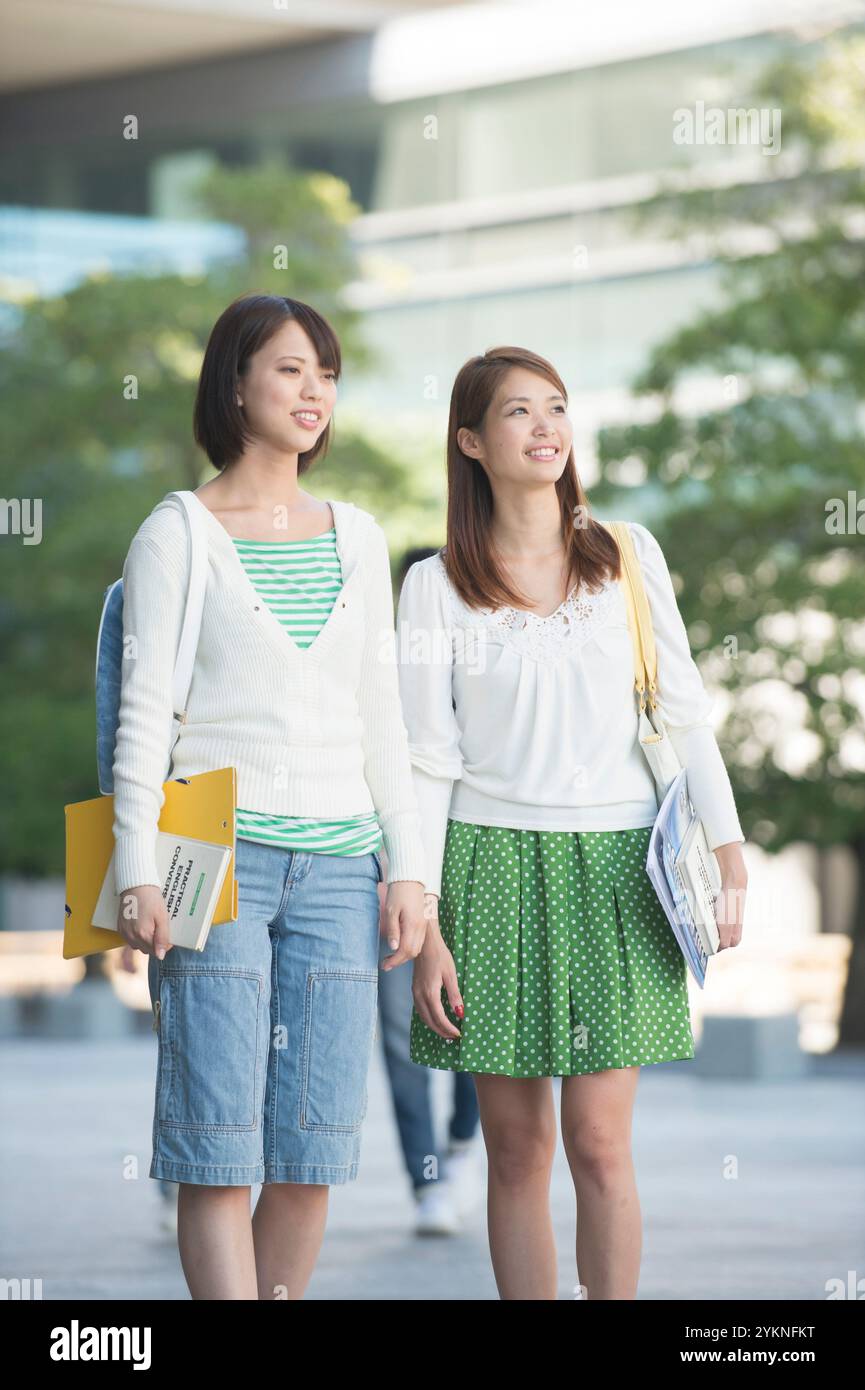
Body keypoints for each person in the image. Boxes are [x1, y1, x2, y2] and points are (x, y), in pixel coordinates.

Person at [395, 345, 749, 1300]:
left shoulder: (626, 556)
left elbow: (681, 713)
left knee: (598, 1142)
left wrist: (730, 856)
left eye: (555, 407)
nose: (546, 426)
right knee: (516, 1152)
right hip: (487, 868)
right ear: (469, 440)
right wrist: (424, 920)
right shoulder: (432, 587)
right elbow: (425, 762)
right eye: (518, 412)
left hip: (621, 870)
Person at [112, 292, 427, 1300]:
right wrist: (132, 871)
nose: (312, 390)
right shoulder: (179, 533)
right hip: (216, 858)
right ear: (235, 383)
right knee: (217, 1145)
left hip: (343, 866)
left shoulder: (359, 535)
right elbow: (144, 715)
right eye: (289, 368)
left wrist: (408, 868)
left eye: (324, 373)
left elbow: (384, 715)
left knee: (311, 1149)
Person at [375, 548, 483, 1237]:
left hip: (463, 868)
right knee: (399, 1038)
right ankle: (426, 1180)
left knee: (469, 1020)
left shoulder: (478, 664)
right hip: (379, 874)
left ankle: (463, 1145)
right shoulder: (378, 669)